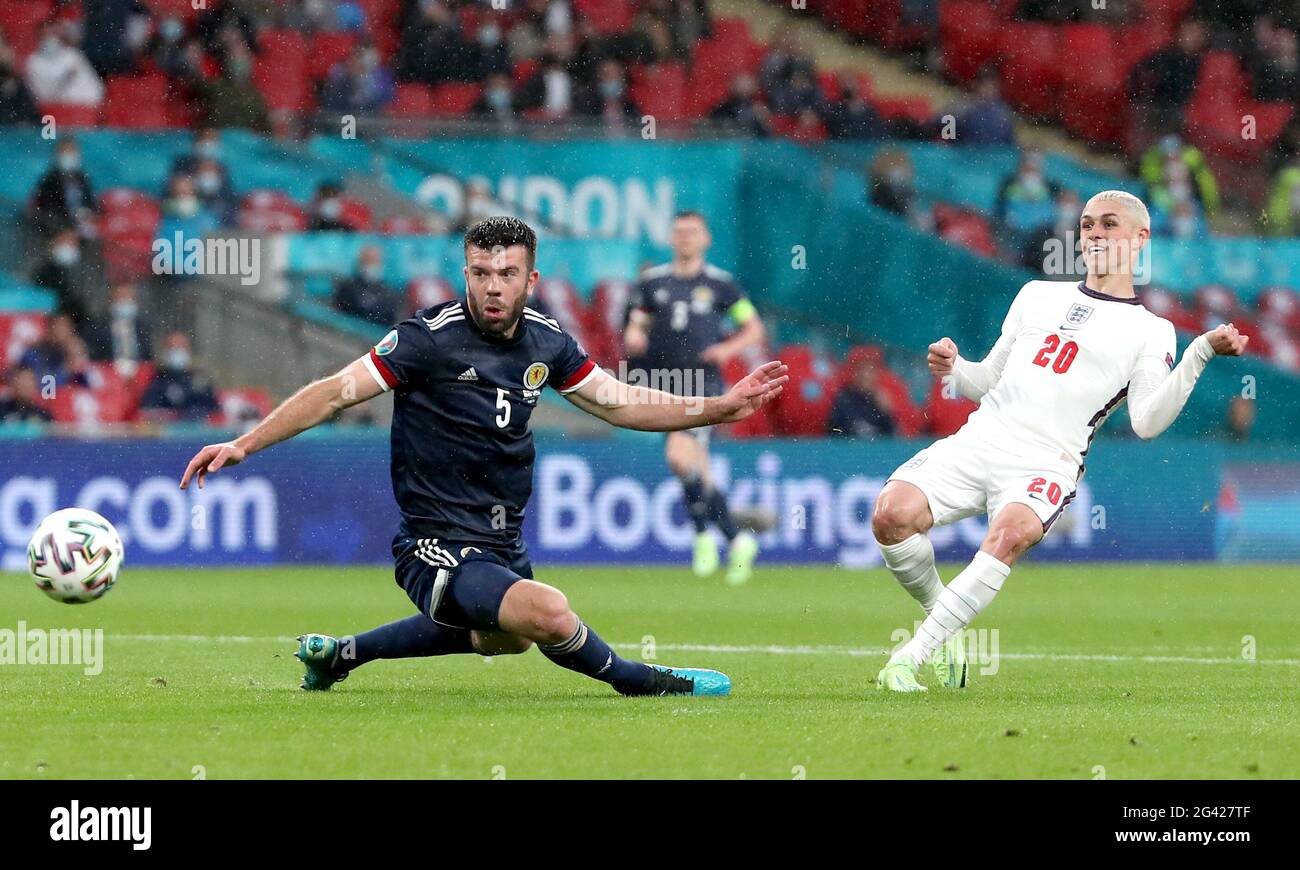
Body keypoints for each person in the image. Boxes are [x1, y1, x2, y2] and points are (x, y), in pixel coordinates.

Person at [179, 216, 788, 697]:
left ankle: (341, 655)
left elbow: (622, 403)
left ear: (531, 280)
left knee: (509, 638)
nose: (492, 286)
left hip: (500, 539)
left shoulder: (548, 341)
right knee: (547, 610)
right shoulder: (427, 339)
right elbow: (333, 393)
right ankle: (635, 679)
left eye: (506, 273)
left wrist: (717, 407)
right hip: (432, 543)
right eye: (480, 272)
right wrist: (243, 443)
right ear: (465, 274)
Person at [872, 190, 1249, 692]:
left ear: (1141, 238)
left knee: (1007, 536)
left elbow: (1147, 422)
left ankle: (909, 658)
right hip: (981, 438)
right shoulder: (1036, 295)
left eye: (1109, 224)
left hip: (1046, 463)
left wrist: (1199, 350)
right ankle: (945, 626)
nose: (1094, 233)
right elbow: (986, 381)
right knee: (890, 516)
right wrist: (955, 368)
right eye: (1088, 224)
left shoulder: (1152, 331)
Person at [623, 211, 767, 584]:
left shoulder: (721, 286)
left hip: (703, 386)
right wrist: (635, 334)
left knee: (677, 456)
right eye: (679, 232)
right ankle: (736, 540)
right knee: (696, 468)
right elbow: (637, 321)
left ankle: (703, 535)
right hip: (662, 383)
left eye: (692, 232)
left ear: (706, 239)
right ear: (671, 239)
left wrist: (726, 349)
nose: (685, 238)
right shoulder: (652, 283)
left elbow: (752, 328)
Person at [140, 333, 219, 421]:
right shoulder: (157, 379)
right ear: (166, 351)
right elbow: (149, 409)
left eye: (181, 347)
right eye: (173, 348)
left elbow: (213, 410)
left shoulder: (199, 379)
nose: (177, 352)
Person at [827, 354, 896, 438]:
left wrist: (886, 413)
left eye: (870, 371)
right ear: (855, 374)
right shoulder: (844, 398)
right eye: (862, 371)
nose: (866, 375)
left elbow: (890, 434)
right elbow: (844, 429)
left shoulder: (878, 399)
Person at [332, 246, 397, 326]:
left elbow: (388, 318)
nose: (372, 265)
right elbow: (339, 313)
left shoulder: (387, 292)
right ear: (360, 262)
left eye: (375, 261)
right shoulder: (348, 286)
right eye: (368, 261)